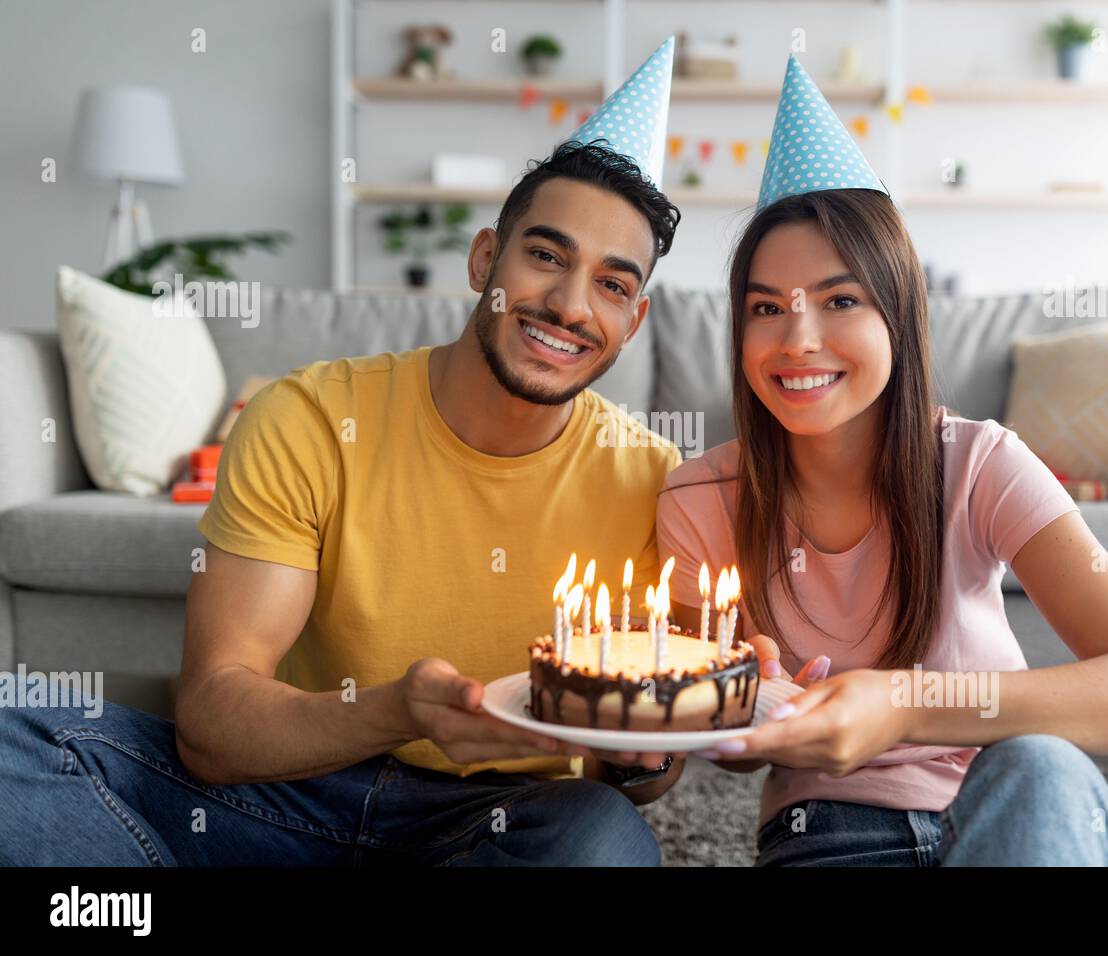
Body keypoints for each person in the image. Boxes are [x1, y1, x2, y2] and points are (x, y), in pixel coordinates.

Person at [0, 39, 689, 867]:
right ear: (484, 260)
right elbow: (214, 728)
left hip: (502, 817)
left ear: (635, 322)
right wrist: (398, 710)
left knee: (605, 839)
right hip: (281, 791)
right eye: (545, 255)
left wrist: (644, 755)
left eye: (614, 284)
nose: (571, 305)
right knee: (18, 738)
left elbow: (642, 781)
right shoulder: (310, 417)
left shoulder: (655, 482)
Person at [656, 55, 1108, 866]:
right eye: (766, 308)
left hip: (1010, 817)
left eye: (840, 300)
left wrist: (907, 703)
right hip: (828, 836)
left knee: (1039, 764)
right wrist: (727, 699)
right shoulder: (699, 498)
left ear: (899, 315)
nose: (798, 339)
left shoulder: (982, 465)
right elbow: (657, 753)